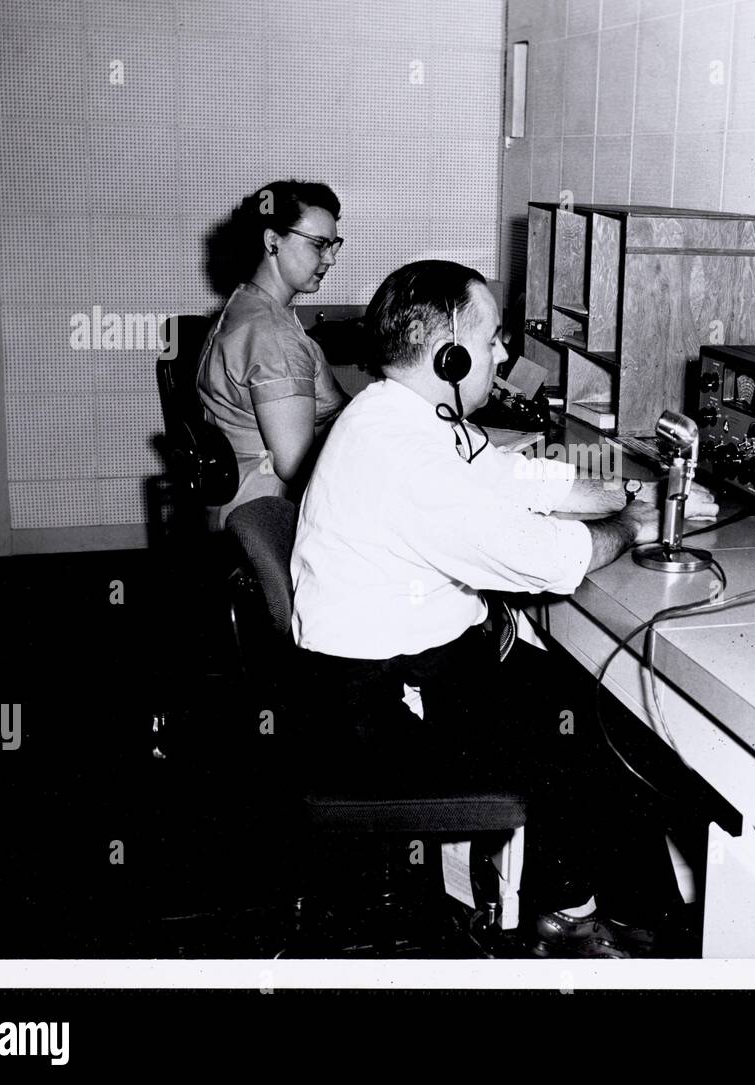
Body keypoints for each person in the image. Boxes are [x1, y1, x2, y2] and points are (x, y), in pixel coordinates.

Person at [289, 259, 719, 957]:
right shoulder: (402, 451)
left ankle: (578, 900)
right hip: (378, 718)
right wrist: (632, 531)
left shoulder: (401, 413)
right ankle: (638, 928)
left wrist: (633, 496)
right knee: (601, 728)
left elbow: (517, 477)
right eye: (491, 338)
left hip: (401, 675)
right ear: (448, 351)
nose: (502, 353)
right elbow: (553, 557)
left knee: (581, 699)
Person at [196, 181, 349, 530]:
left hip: (232, 510)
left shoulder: (243, 305)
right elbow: (295, 466)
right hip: (266, 522)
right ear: (272, 242)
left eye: (334, 244)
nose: (331, 258)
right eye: (319, 245)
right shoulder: (274, 338)